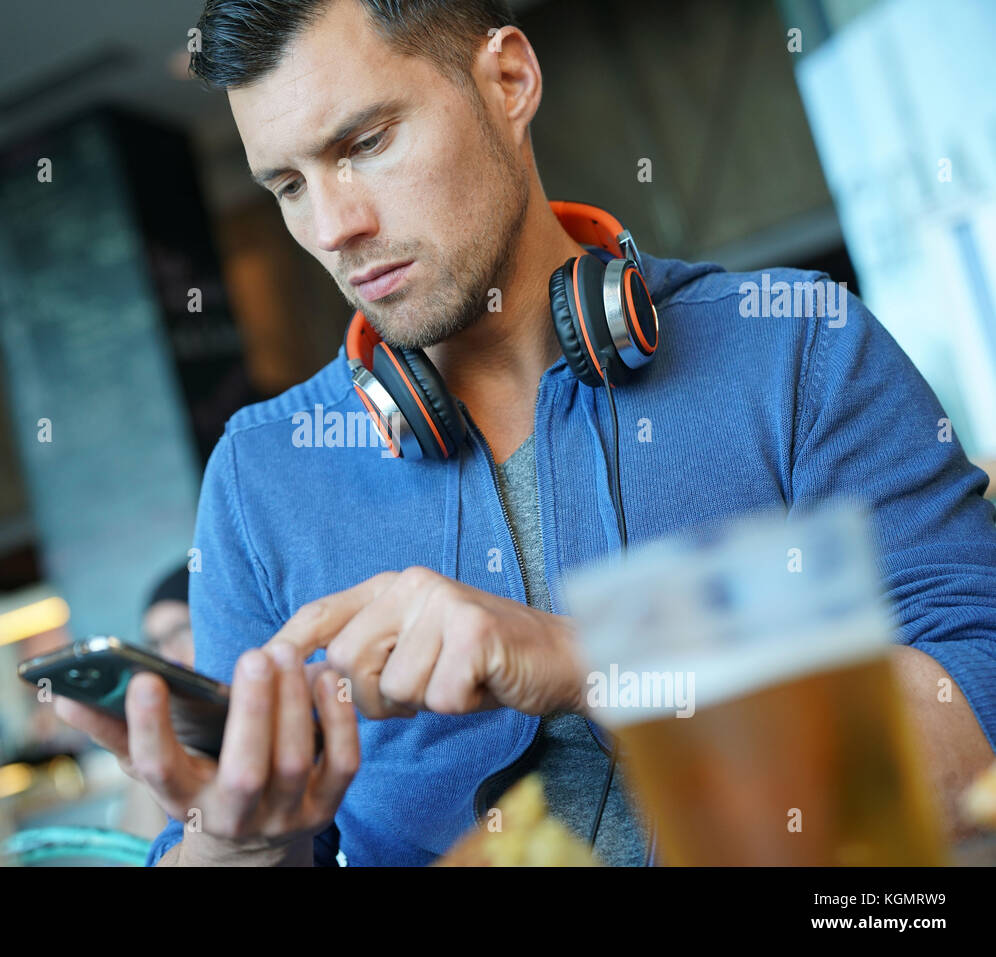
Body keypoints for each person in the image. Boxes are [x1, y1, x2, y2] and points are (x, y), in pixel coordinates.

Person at [56, 0, 996, 866]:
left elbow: (980, 700)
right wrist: (235, 840)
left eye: (367, 142)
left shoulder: (796, 344)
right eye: (289, 185)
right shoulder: (261, 478)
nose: (334, 226)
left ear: (507, 81)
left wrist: (585, 656)